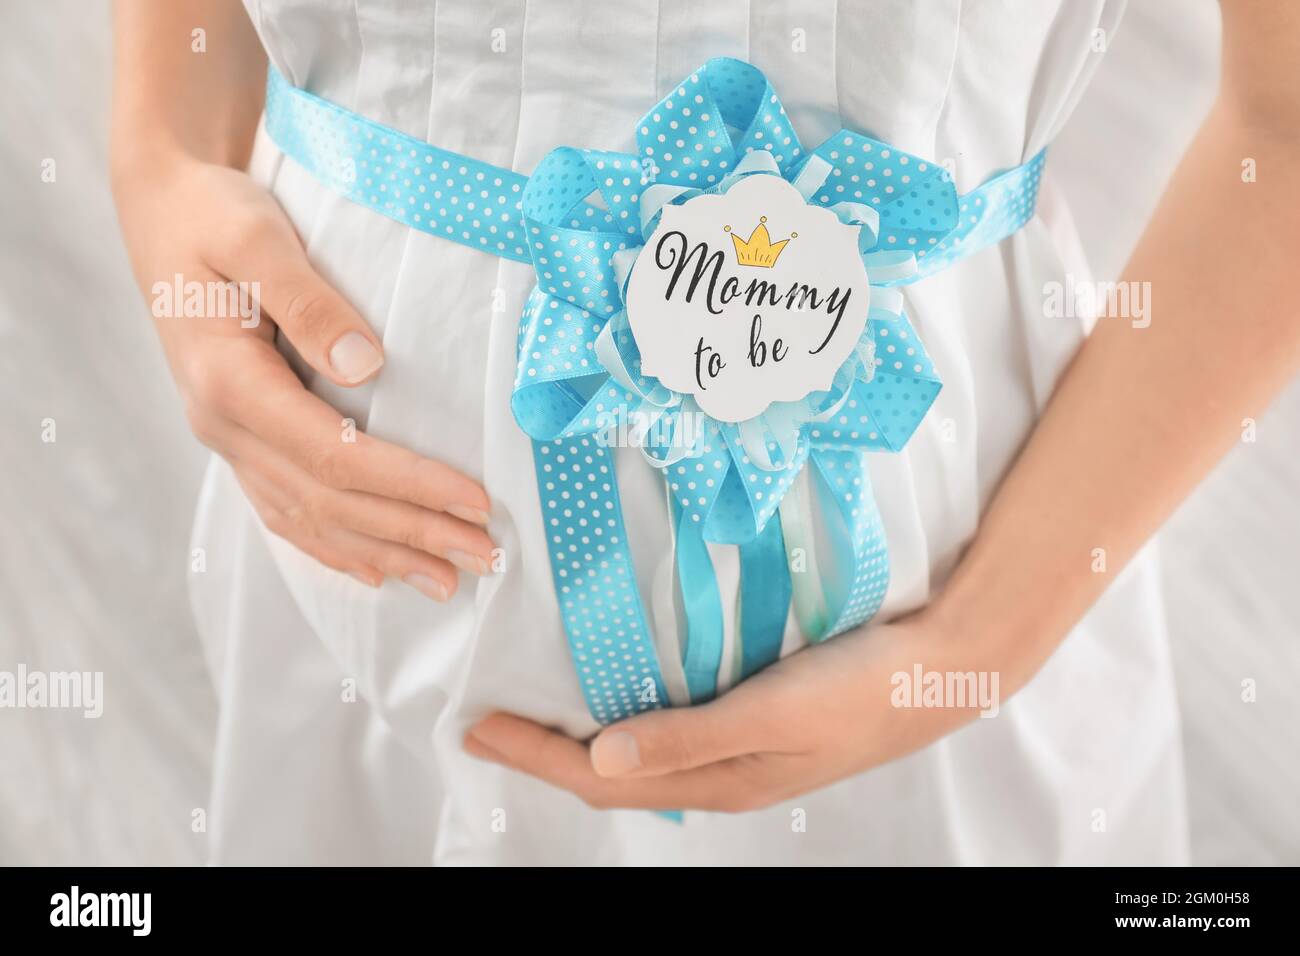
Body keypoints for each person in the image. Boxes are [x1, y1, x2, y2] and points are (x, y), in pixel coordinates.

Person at [111, 0, 1300, 865]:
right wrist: (160, 154)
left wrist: (986, 637)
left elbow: (1283, 115)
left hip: (945, 691)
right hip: (356, 616)